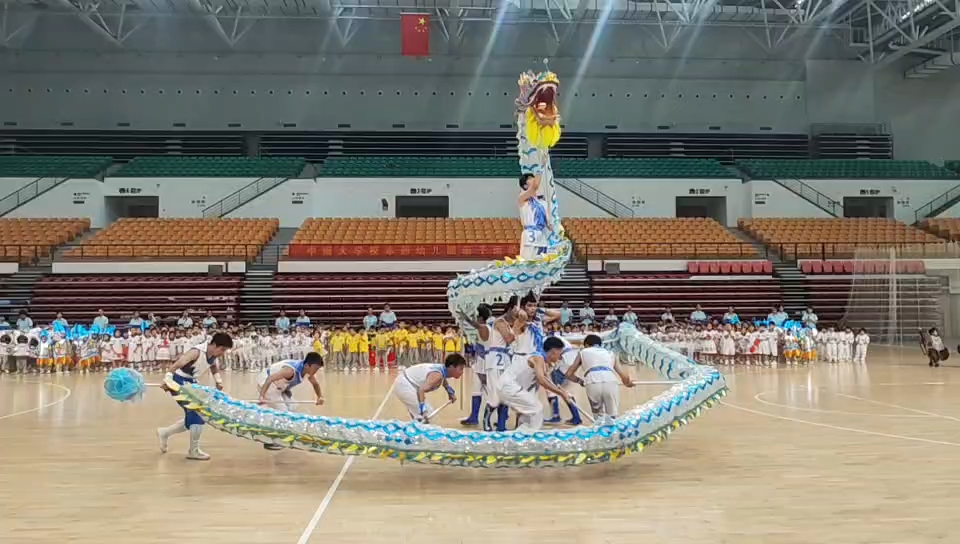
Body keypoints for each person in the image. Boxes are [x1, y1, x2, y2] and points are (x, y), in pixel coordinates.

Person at [157, 331, 233, 461]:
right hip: (178, 381)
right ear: (214, 344)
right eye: (222, 349)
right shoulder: (196, 352)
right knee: (197, 414)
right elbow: (176, 365)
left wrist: (218, 380)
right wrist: (167, 380)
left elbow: (213, 367)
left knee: (194, 415)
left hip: (191, 382)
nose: (222, 353)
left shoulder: (212, 354)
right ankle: (193, 450)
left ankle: (165, 432)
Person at [497, 336, 572, 432]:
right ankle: (532, 436)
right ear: (553, 351)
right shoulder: (538, 358)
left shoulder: (542, 361)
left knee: (527, 414)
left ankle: (522, 435)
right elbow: (541, 380)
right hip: (508, 386)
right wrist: (561, 393)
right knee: (536, 409)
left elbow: (547, 380)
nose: (560, 357)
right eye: (559, 353)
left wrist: (562, 391)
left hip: (508, 387)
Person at [256, 352, 325, 450]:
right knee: (282, 412)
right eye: (315, 369)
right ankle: (272, 440)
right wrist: (262, 396)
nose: (316, 371)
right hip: (266, 384)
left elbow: (315, 384)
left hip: (279, 386)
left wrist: (320, 397)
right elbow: (270, 379)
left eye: (318, 369)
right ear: (306, 365)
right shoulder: (290, 371)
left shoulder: (308, 371)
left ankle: (281, 434)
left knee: (292, 407)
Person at [565, 334, 634, 418]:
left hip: (592, 382)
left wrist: (580, 381)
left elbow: (569, 374)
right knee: (612, 417)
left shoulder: (583, 352)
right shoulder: (610, 353)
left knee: (598, 417)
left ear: (586, 344)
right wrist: (628, 383)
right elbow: (624, 377)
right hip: (610, 381)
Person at [392, 354, 466, 423]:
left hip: (408, 383)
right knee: (428, 415)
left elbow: (444, 380)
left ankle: (417, 429)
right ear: (451, 367)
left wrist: (450, 392)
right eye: (461, 369)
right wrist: (423, 409)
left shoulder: (443, 370)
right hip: (405, 385)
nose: (462, 372)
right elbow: (421, 390)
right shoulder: (437, 375)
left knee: (421, 416)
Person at [459, 304, 492, 426]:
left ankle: (498, 414)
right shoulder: (484, 327)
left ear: (480, 317)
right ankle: (474, 416)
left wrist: (465, 316)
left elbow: (475, 325)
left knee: (489, 390)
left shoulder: (484, 327)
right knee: (476, 390)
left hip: (485, 362)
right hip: (479, 361)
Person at [517, 173, 551, 260]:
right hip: (529, 235)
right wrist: (540, 168)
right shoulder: (522, 198)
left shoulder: (543, 202)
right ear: (525, 185)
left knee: (541, 262)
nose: (533, 179)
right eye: (530, 179)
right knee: (527, 262)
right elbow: (534, 187)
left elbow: (548, 223)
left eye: (533, 178)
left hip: (541, 236)